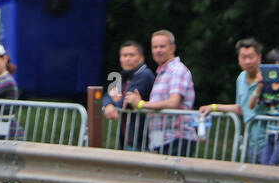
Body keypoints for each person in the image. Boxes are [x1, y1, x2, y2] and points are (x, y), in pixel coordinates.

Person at [126, 29, 196, 157]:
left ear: (172, 48)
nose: (158, 50)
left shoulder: (177, 70)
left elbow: (173, 103)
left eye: (162, 46)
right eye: (155, 47)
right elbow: (157, 108)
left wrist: (141, 104)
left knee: (169, 177)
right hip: (159, 138)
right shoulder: (161, 73)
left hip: (176, 138)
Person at [199, 37, 265, 161]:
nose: (247, 61)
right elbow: (240, 108)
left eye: (251, 57)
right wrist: (213, 107)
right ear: (238, 59)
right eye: (243, 57)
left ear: (259, 57)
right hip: (251, 140)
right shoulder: (241, 78)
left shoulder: (267, 78)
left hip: (269, 140)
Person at [102, 40, 155, 151]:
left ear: (141, 58)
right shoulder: (123, 75)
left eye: (131, 55)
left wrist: (114, 102)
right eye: (124, 55)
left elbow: (126, 103)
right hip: (128, 138)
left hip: (142, 140)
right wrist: (109, 105)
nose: (127, 59)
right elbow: (107, 96)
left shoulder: (144, 75)